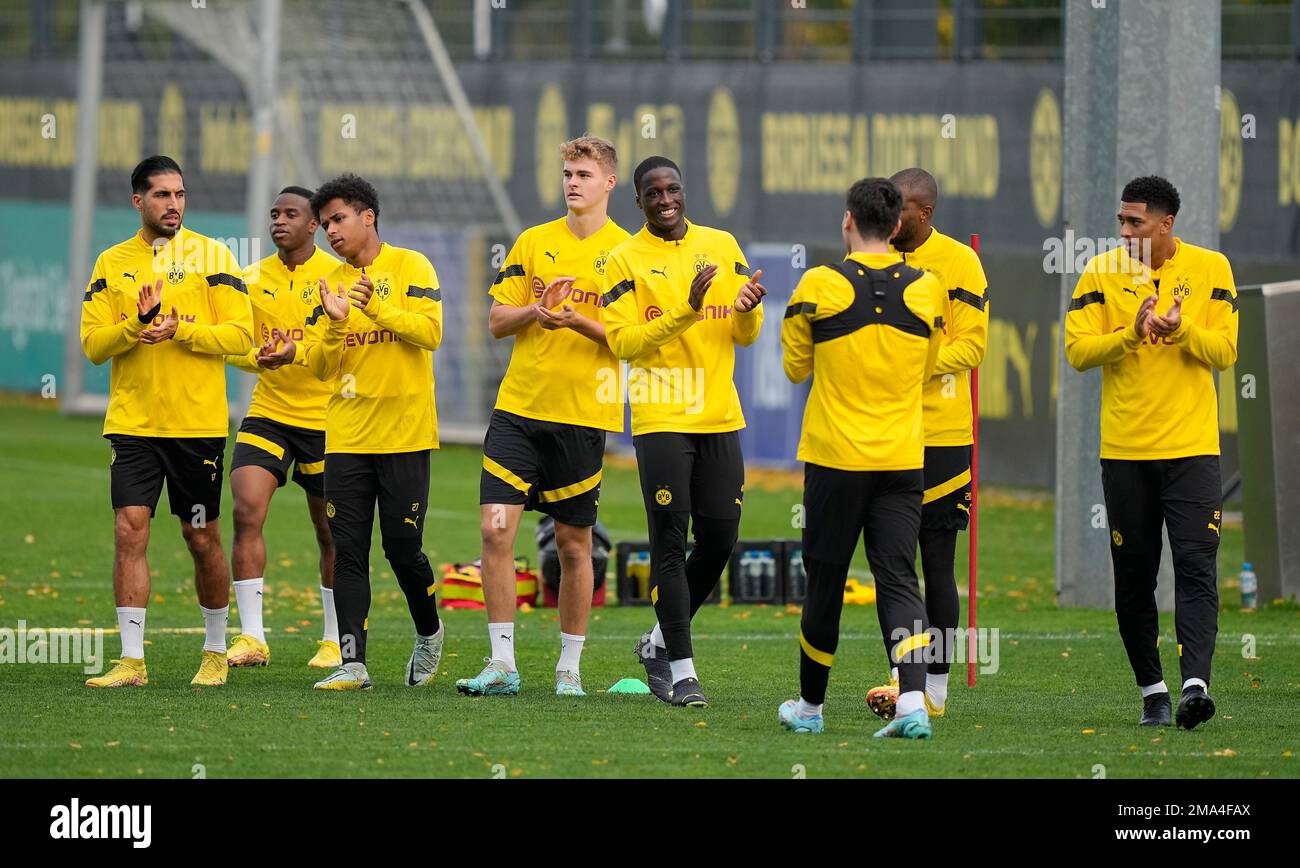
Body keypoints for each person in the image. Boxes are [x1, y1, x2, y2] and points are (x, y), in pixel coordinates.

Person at [1064, 175, 1237, 730]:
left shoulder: (1212, 269)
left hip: (1192, 451)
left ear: (1166, 225)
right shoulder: (1100, 272)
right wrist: (1129, 335)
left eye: (1134, 222)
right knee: (1134, 577)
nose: (1124, 231)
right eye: (1120, 220)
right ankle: (1153, 692)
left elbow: (1226, 351)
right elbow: (1077, 351)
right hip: (1126, 451)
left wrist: (1183, 329)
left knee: (1194, 566)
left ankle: (1194, 686)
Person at [459, 136, 629, 698]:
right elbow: (496, 320)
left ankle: (568, 669)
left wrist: (576, 319)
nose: (572, 182)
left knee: (574, 546)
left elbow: (632, 340)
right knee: (495, 528)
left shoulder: (628, 253)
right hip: (518, 410)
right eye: (566, 173)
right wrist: (536, 310)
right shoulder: (533, 242)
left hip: (582, 417)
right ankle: (503, 664)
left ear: (609, 182)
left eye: (583, 173)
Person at [777, 177, 946, 739]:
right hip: (902, 458)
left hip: (835, 459)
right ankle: (914, 704)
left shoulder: (819, 283)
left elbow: (796, 367)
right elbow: (928, 370)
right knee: (899, 576)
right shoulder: (929, 289)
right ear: (898, 226)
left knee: (825, 581)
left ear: (847, 219)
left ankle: (809, 709)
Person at [81, 155, 253, 688]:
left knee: (201, 537)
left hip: (196, 425)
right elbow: (92, 345)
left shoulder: (214, 255)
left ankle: (216, 650)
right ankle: (132, 661)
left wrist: (182, 329)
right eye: (162, 195)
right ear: (138, 201)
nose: (173, 204)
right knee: (129, 529)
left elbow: (242, 337)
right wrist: (135, 324)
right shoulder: (111, 262)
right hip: (133, 423)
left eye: (179, 194)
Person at [603, 156, 766, 708]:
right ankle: (683, 669)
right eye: (654, 193)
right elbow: (623, 342)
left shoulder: (722, 244)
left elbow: (744, 334)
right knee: (669, 544)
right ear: (639, 202)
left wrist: (746, 310)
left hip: (720, 415)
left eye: (673, 188)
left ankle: (654, 642)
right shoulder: (623, 259)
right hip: (662, 418)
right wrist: (686, 309)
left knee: (720, 537)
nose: (666, 199)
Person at [301, 174, 445, 691]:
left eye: (337, 220)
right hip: (347, 437)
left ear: (368, 216)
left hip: (405, 434)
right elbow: (319, 367)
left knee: (403, 549)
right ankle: (353, 663)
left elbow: (431, 332)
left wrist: (375, 306)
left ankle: (429, 632)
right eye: (323, 225)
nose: (330, 232)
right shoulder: (327, 282)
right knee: (348, 550)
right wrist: (338, 323)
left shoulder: (412, 265)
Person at [866, 167, 989, 720]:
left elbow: (972, 346)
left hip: (940, 435)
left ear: (926, 213)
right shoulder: (873, 254)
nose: (892, 216)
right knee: (891, 565)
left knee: (936, 566)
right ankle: (902, 679)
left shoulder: (960, 261)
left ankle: (935, 688)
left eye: (903, 208)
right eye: (887, 205)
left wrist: (908, 365)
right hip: (883, 432)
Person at [224, 186, 341, 671]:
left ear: (314, 224)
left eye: (290, 214)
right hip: (268, 413)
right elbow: (230, 342)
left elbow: (343, 350)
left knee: (330, 530)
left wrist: (298, 352)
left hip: (326, 419)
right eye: (274, 213)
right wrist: (257, 357)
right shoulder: (250, 279)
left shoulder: (338, 278)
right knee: (246, 509)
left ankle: (334, 639)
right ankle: (252, 637)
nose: (279, 221)